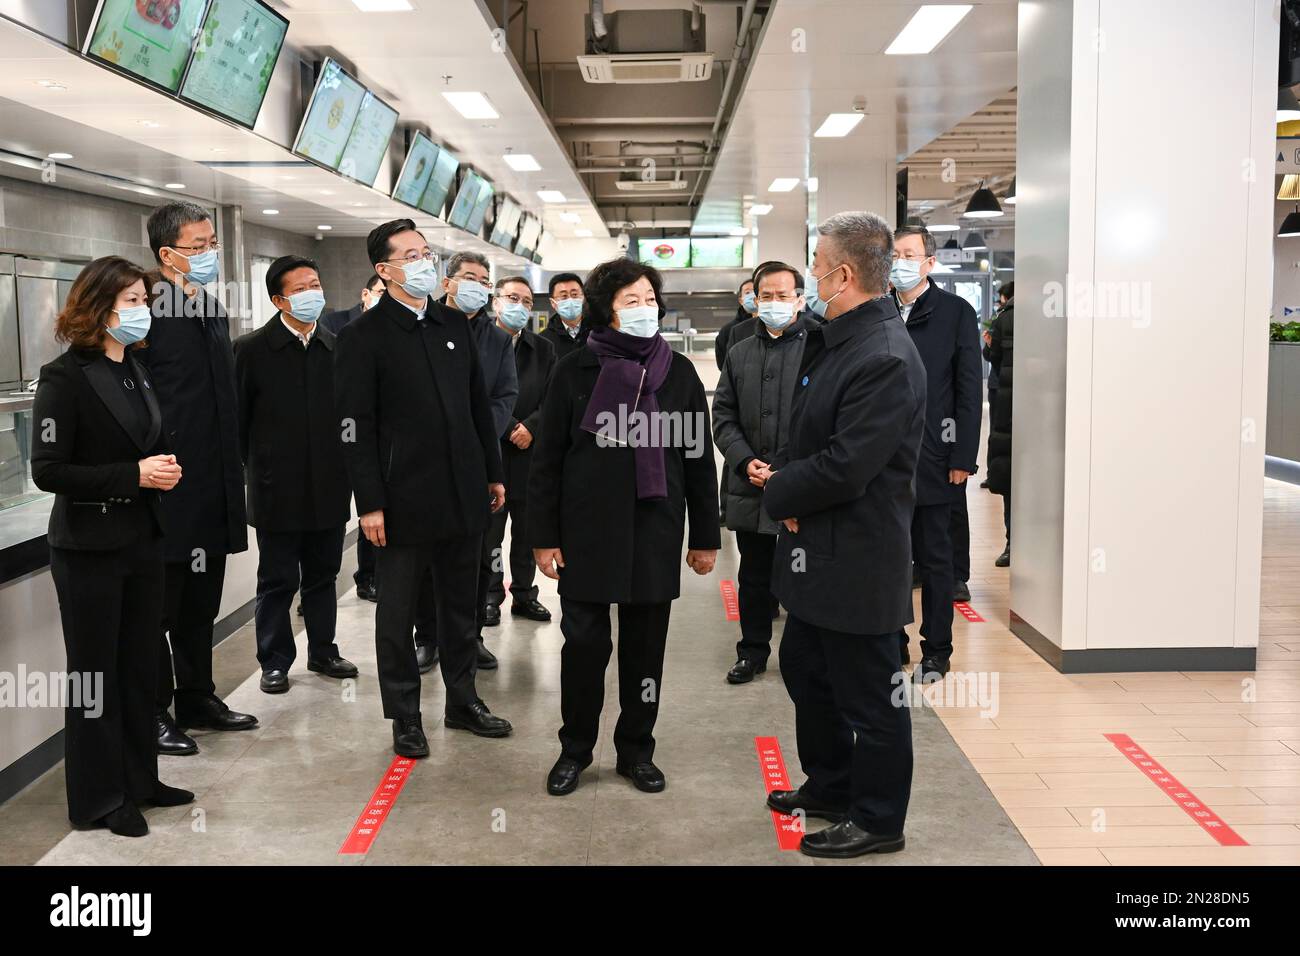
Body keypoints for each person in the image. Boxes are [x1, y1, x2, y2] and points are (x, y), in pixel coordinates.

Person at [761, 211, 926, 859]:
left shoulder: (882, 354)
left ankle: (880, 819)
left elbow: (848, 465)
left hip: (858, 556)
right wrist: (793, 484)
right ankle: (830, 783)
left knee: (872, 697)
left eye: (817, 261)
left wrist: (779, 491)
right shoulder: (838, 338)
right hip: (816, 553)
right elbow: (814, 437)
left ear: (844, 272)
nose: (812, 272)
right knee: (807, 670)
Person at [531, 257, 720, 797]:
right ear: (606, 312)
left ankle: (637, 750)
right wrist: (544, 538)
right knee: (584, 648)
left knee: (645, 651)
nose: (644, 309)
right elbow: (547, 461)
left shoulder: (678, 373)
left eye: (649, 299)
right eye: (630, 301)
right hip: (586, 535)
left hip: (655, 531)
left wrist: (705, 536)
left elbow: (697, 460)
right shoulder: (573, 371)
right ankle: (575, 750)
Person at [334, 219, 511, 757]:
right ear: (383, 270)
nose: (423, 262)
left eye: (426, 252)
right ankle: (405, 715)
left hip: (462, 494)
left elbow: (479, 408)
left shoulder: (451, 325)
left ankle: (462, 701)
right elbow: (353, 427)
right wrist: (371, 504)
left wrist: (493, 472)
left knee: (460, 604)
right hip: (401, 500)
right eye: (409, 255)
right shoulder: (362, 337)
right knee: (398, 612)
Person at [32, 256, 194, 837]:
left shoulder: (136, 367)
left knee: (138, 670)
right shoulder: (65, 376)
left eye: (144, 299)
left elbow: (144, 444)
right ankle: (99, 798)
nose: (142, 310)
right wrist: (133, 476)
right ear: (98, 306)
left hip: (142, 541)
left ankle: (140, 779)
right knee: (94, 676)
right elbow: (48, 470)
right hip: (89, 549)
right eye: (130, 300)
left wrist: (160, 472)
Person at [141, 201, 257, 756]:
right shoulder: (145, 311)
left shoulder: (208, 305)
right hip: (168, 486)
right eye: (200, 245)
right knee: (160, 608)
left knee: (200, 603)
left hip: (213, 481)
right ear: (167, 253)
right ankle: (154, 712)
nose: (212, 253)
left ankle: (197, 696)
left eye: (213, 242)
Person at [234, 255, 358, 695]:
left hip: (328, 485)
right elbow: (237, 423)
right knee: (277, 579)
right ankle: (274, 660)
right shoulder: (251, 351)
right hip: (276, 489)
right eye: (301, 288)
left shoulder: (337, 346)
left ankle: (323, 649)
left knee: (324, 575)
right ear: (278, 300)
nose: (313, 294)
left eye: (316, 284)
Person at [405, 252, 518, 673]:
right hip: (427, 465)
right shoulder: (422, 326)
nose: (477, 285)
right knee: (427, 559)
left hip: (476, 462)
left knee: (477, 556)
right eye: (468, 277)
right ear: (447, 282)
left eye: (483, 279)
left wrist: (470, 434)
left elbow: (504, 395)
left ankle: (471, 637)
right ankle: (427, 637)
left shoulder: (498, 339)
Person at [890, 225, 982, 679]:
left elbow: (969, 389)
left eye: (910, 254)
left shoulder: (955, 313)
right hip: (883, 464)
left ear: (929, 262)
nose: (900, 262)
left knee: (936, 560)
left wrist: (963, 456)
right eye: (894, 254)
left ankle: (937, 649)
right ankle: (895, 641)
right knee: (890, 558)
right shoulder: (878, 310)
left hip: (936, 459)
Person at [712, 261, 809, 684]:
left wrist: (785, 470)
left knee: (802, 573)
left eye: (782, 295)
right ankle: (752, 651)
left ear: (801, 299)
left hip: (802, 484)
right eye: (765, 295)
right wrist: (743, 459)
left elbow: (823, 418)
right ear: (753, 300)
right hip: (749, 484)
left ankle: (803, 656)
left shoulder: (820, 347)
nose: (773, 303)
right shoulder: (739, 351)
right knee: (753, 575)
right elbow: (723, 415)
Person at [485, 275, 556, 626]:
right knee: (492, 534)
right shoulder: (478, 342)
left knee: (527, 530)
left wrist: (531, 426)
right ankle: (490, 594)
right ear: (496, 301)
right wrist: (511, 425)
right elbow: (477, 394)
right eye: (513, 298)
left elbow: (553, 398)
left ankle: (525, 594)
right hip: (492, 453)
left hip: (530, 455)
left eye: (527, 302)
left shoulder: (542, 349)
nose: (520, 306)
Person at [986, 282, 1014, 567]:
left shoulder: (1004, 317)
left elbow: (991, 358)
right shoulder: (1058, 315)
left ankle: (1012, 544)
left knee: (1010, 477)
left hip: (1008, 407)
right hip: (1046, 409)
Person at [713, 277, 758, 370]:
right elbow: (723, 365)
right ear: (741, 300)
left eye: (755, 291)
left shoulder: (772, 326)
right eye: (748, 292)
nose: (753, 296)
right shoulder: (728, 330)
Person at [540, 272, 585, 359]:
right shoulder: (543, 341)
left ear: (583, 298)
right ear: (553, 303)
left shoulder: (598, 333)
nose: (570, 299)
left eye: (574, 295)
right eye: (564, 296)